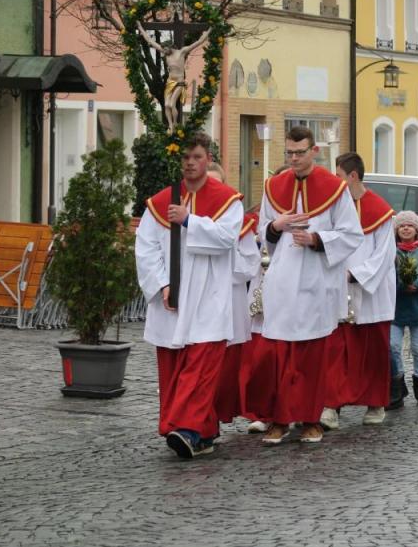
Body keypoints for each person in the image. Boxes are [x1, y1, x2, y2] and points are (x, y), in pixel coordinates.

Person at [239, 126, 363, 445]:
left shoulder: (335, 189)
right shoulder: (273, 186)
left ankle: (311, 419)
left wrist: (317, 238)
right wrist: (275, 226)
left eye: (300, 152)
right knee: (280, 355)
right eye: (289, 153)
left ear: (315, 151)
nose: (294, 159)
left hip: (316, 280)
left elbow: (351, 234)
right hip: (282, 278)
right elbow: (263, 231)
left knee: (311, 357)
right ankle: (279, 420)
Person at [135, 132, 244, 459]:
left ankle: (186, 429)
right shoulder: (160, 202)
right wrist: (162, 284)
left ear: (208, 158)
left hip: (209, 297)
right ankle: (204, 433)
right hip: (172, 298)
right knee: (174, 367)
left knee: (200, 368)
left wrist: (190, 221)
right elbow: (146, 247)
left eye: (197, 157)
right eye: (185, 158)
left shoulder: (227, 200)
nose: (191, 163)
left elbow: (227, 239)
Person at [320, 152, 396, 430]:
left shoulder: (381, 211)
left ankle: (375, 403)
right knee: (336, 351)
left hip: (371, 295)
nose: (335, 182)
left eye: (338, 176)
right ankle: (331, 405)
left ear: (352, 176)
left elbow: (385, 255)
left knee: (372, 352)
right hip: (338, 290)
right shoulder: (335, 208)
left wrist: (357, 273)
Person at [204, 165, 263, 429]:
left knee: (224, 368)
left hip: (229, 298)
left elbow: (250, 264)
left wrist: (222, 261)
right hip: (201, 302)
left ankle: (214, 417)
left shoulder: (241, 224)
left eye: (217, 185)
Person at [389, 210, 418, 407]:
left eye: (409, 225)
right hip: (396, 310)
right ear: (396, 230)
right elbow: (388, 276)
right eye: (401, 225)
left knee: (417, 348)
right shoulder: (392, 252)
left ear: (416, 230)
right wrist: (400, 284)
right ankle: (398, 385)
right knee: (393, 347)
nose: (405, 228)